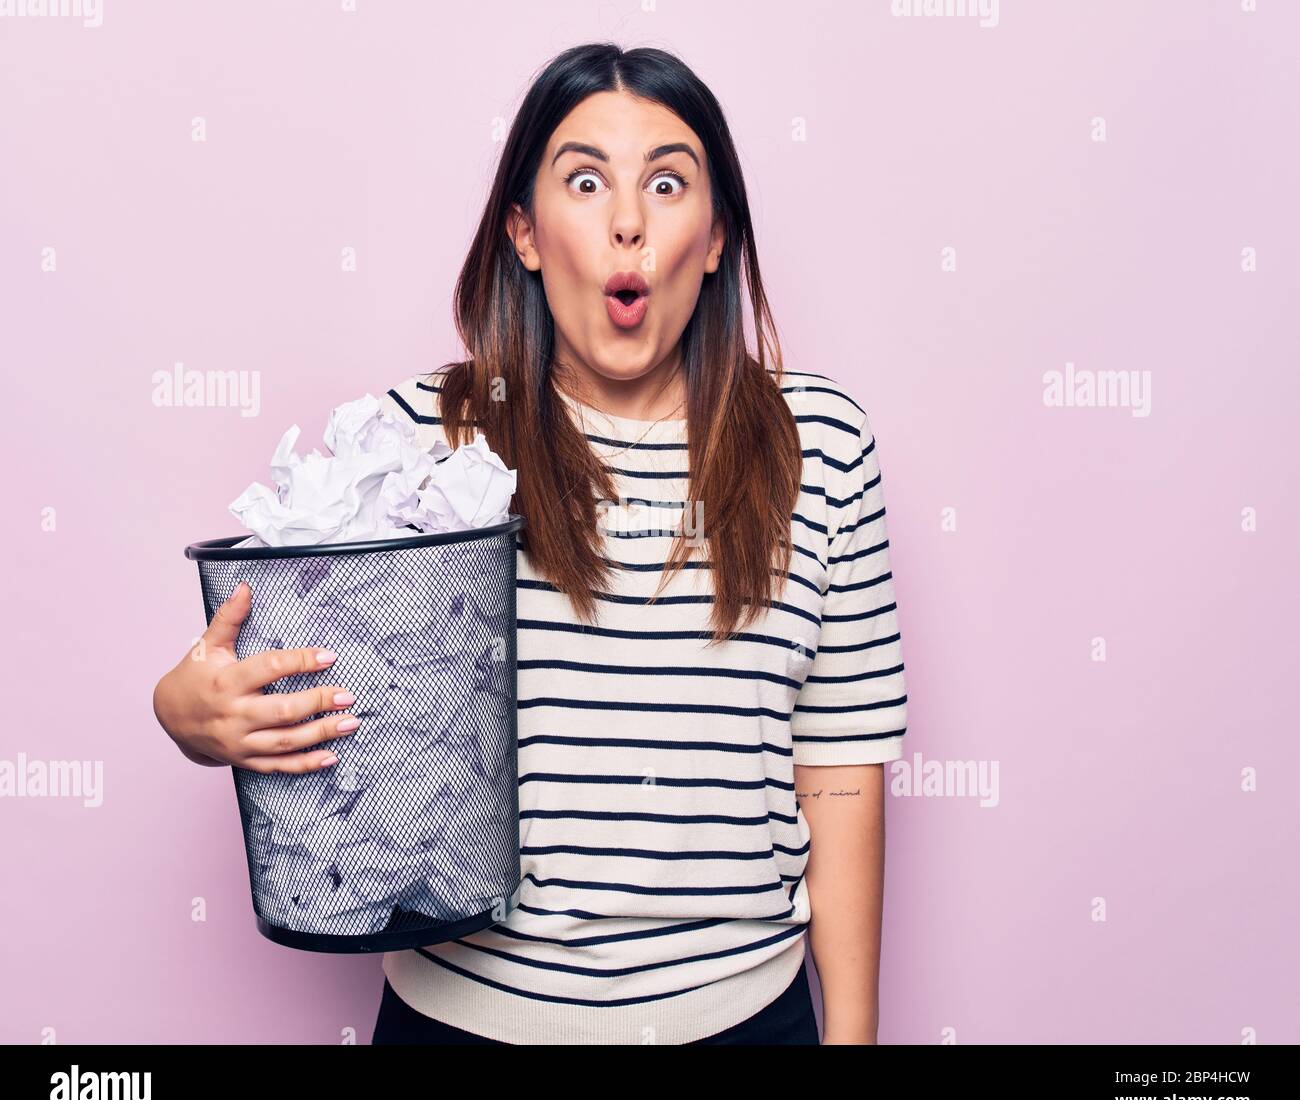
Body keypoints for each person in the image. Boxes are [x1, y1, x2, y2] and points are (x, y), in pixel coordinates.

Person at [152, 42, 908, 1046]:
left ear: (717, 235)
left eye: (668, 182)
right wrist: (191, 713)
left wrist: (850, 1037)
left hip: (742, 1018)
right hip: (460, 1022)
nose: (628, 220)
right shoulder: (422, 439)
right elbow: (260, 663)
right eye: (585, 181)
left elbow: (842, 766)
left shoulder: (821, 447)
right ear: (526, 233)